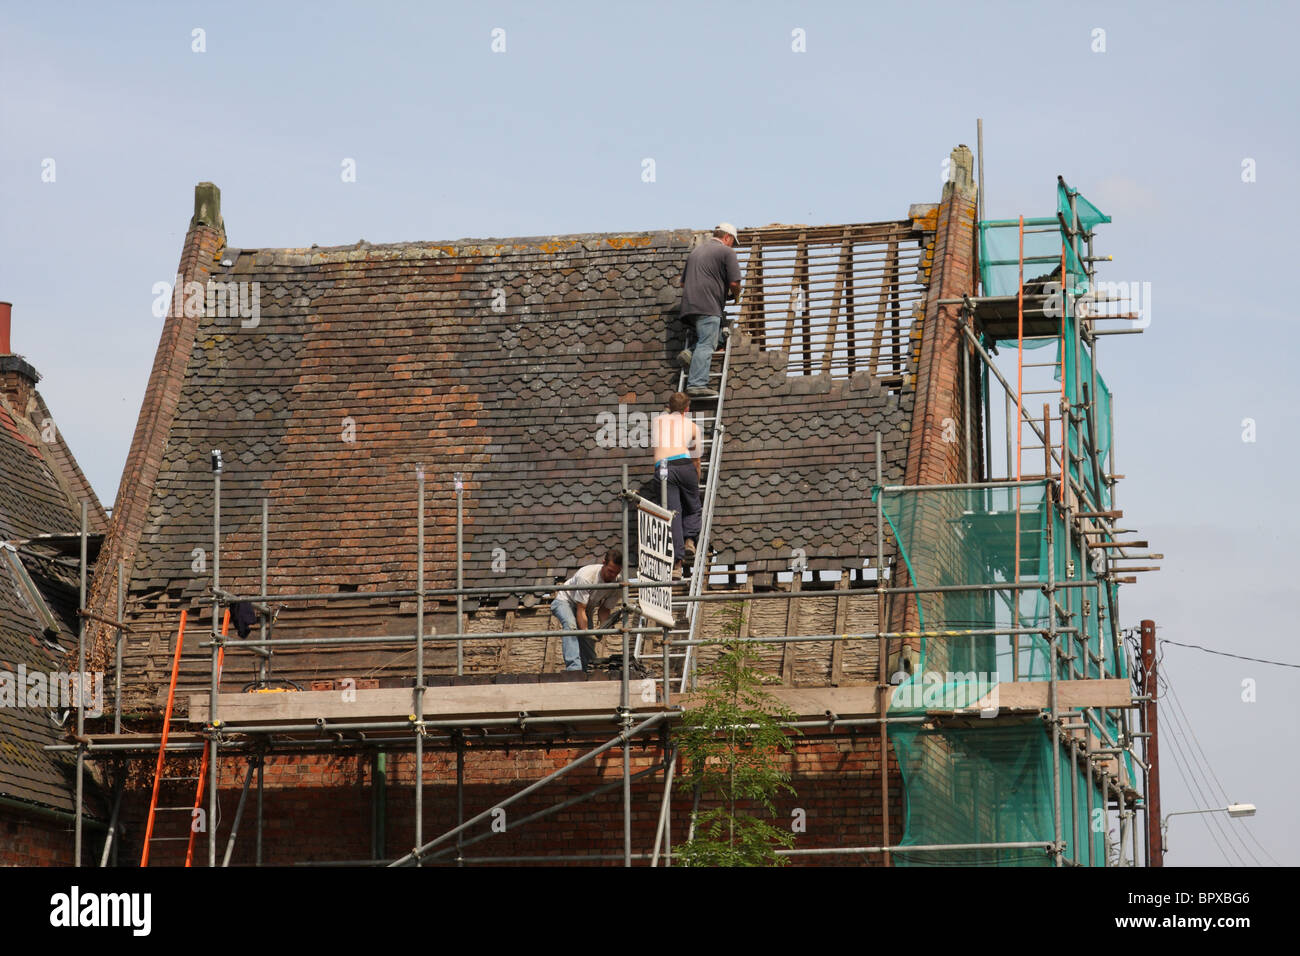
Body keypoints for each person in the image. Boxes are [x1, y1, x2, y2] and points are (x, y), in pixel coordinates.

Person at [678, 222, 742, 399]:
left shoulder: (695, 252)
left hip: (689, 306)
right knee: (707, 343)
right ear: (727, 237)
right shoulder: (726, 252)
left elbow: (683, 283)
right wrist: (736, 296)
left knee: (712, 337)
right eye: (732, 242)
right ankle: (697, 384)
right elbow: (735, 283)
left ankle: (690, 352)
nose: (732, 246)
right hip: (708, 306)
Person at [550, 550, 623, 671]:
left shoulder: (618, 583)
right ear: (603, 563)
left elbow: (604, 609)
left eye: (616, 573)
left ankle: (590, 669)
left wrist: (602, 628)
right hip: (565, 602)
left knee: (589, 641)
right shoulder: (586, 576)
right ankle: (574, 669)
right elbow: (580, 608)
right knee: (571, 626)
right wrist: (585, 631)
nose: (612, 576)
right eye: (610, 571)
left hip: (587, 608)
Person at [653, 392, 702, 565]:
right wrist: (695, 478)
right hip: (684, 464)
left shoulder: (657, 421)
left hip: (664, 467)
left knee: (673, 514)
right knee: (694, 507)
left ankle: (677, 563)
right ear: (687, 409)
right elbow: (696, 459)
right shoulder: (693, 426)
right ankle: (690, 539)